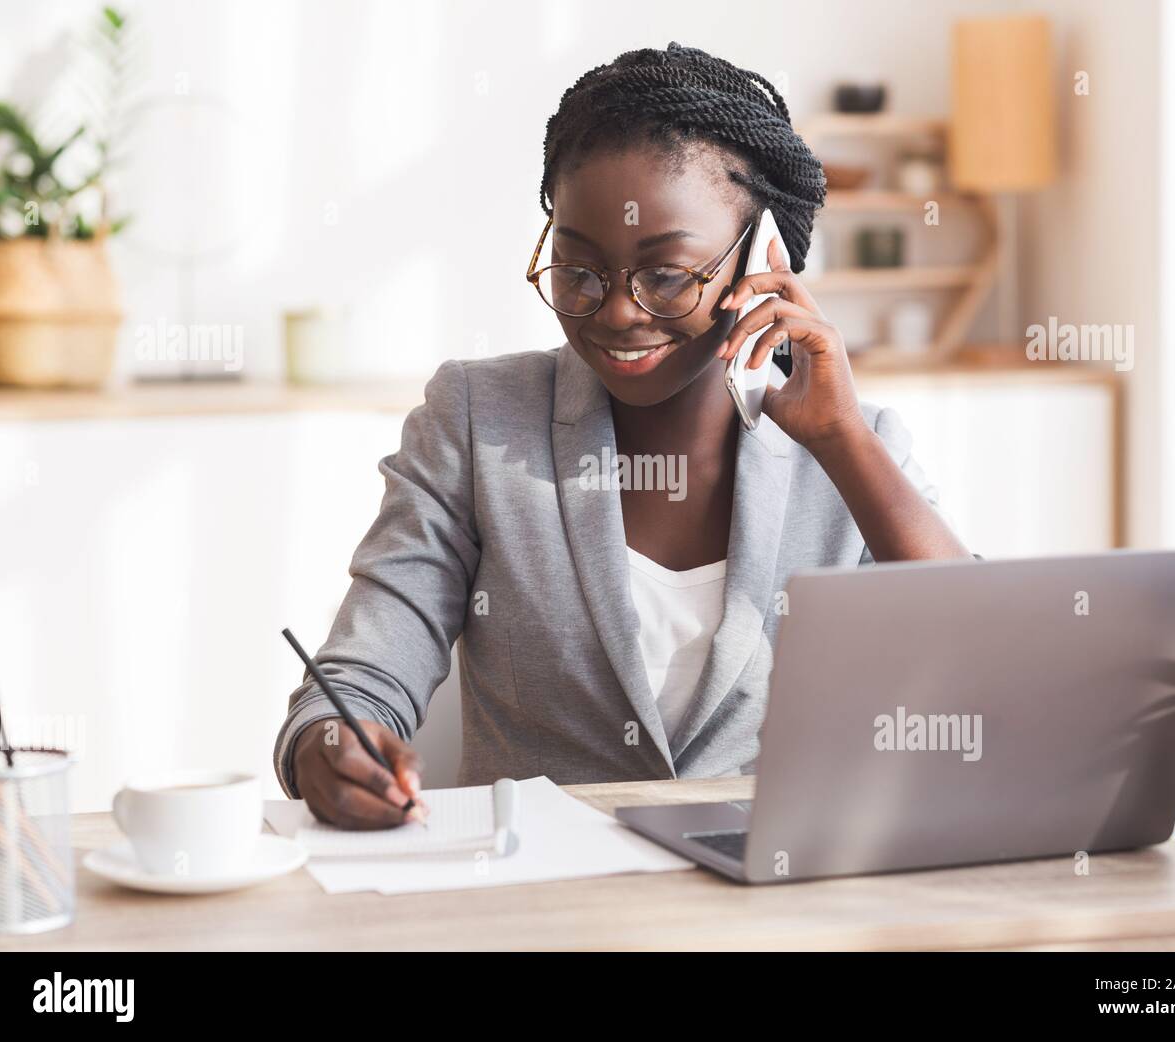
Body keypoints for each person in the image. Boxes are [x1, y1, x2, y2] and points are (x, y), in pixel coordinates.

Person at [275, 42, 969, 829]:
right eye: (578, 270)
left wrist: (844, 443)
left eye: (666, 273)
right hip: (537, 906)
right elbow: (364, 672)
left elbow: (980, 673)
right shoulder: (477, 418)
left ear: (766, 259)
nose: (615, 312)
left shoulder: (851, 449)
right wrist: (331, 741)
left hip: (771, 902)